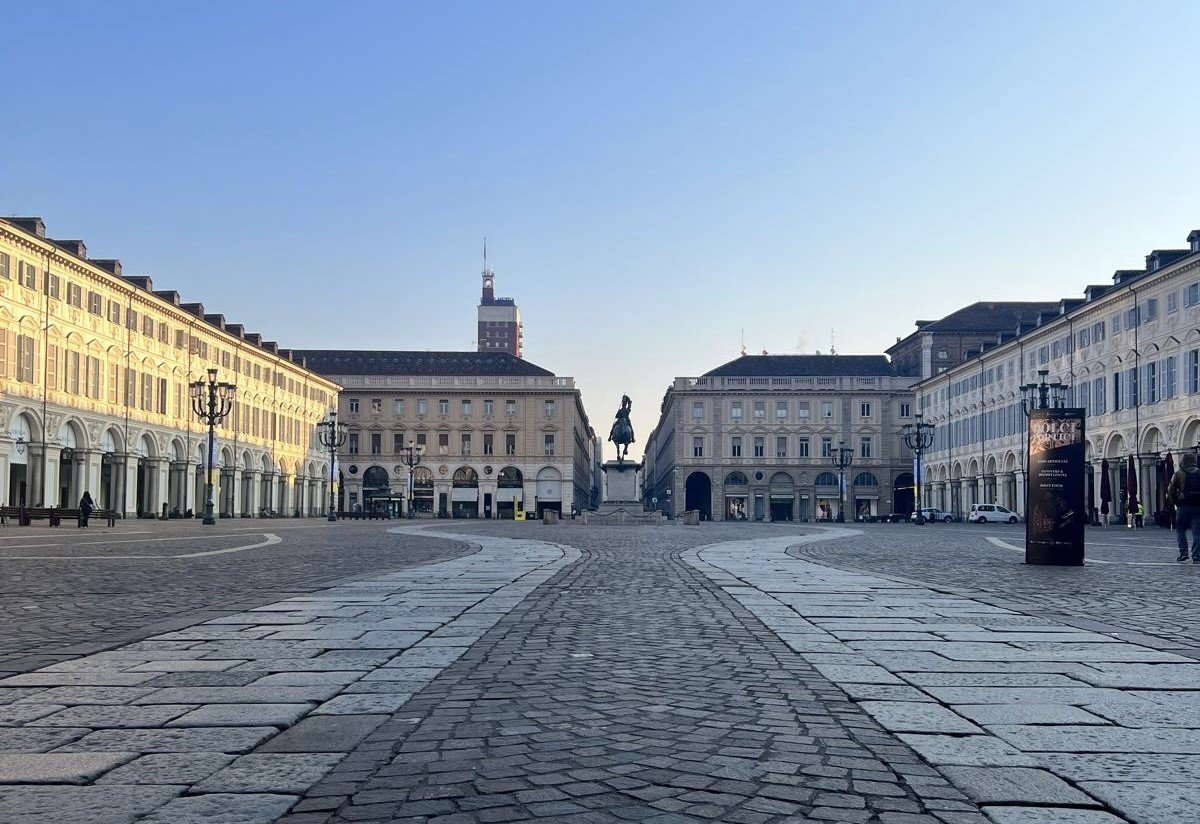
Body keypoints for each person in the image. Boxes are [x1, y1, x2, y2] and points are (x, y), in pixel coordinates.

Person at [1167, 452, 1200, 563]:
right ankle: (1196, 555)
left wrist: (1175, 502)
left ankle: (1183, 552)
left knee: (1181, 530)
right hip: (1198, 506)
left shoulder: (1179, 473)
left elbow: (1170, 490)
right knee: (1197, 532)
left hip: (1183, 505)